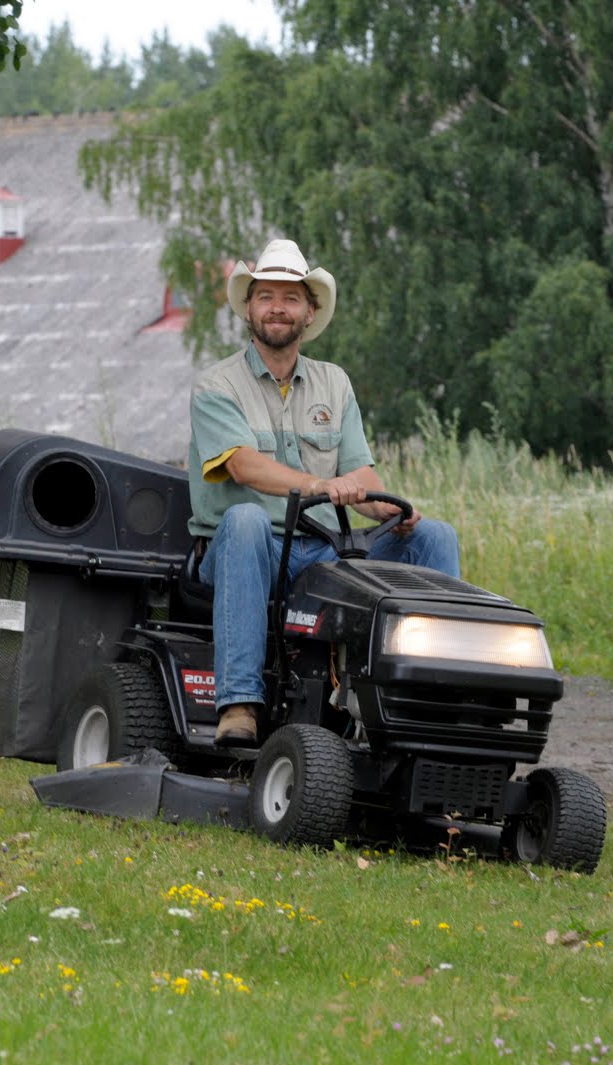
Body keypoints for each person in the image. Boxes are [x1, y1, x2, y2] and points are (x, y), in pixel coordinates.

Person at [188, 238, 460, 746]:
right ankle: (239, 705)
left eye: (290, 298)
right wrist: (318, 484)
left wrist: (392, 509)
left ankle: (433, 704)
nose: (277, 308)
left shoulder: (334, 384)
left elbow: (361, 476)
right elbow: (244, 467)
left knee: (434, 538)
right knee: (245, 520)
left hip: (323, 551)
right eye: (266, 296)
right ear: (248, 308)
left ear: (309, 312)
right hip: (252, 549)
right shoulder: (216, 385)